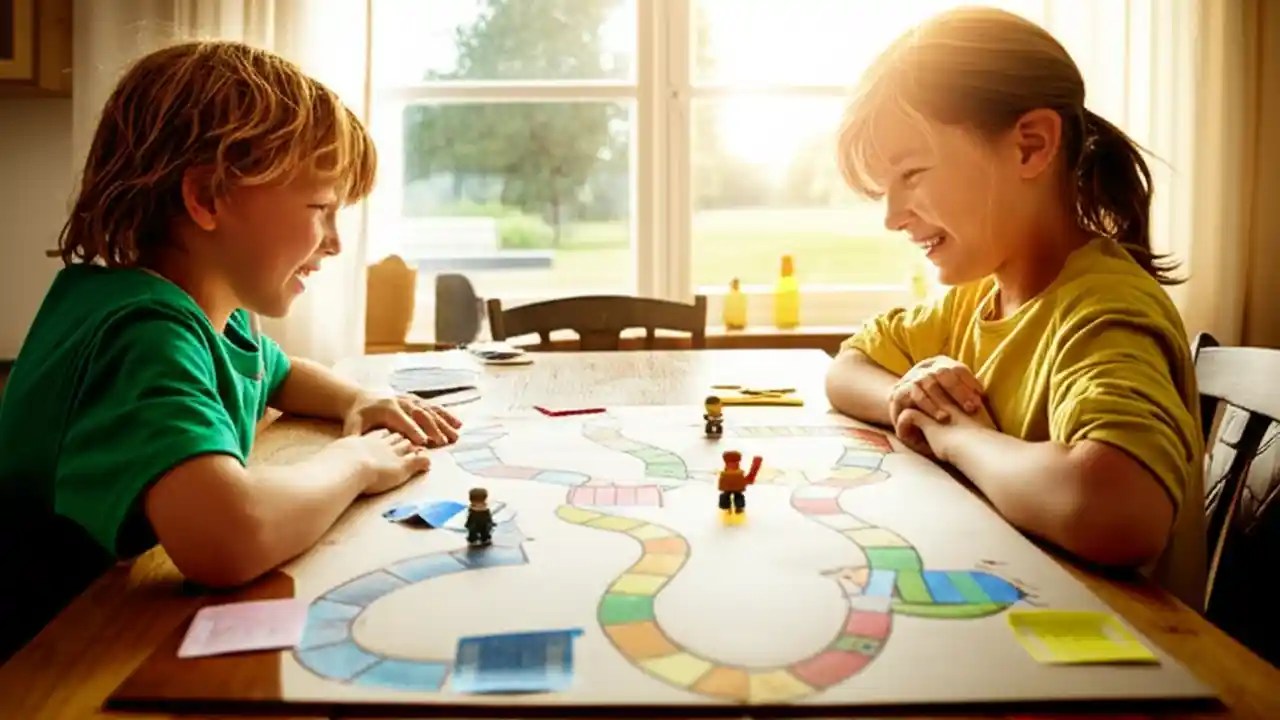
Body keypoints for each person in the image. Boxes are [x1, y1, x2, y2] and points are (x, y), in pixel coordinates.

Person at [0, 40, 463, 661]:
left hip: (104, 622)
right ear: (207, 199)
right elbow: (231, 539)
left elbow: (276, 373)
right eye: (320, 209)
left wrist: (361, 397)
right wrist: (356, 461)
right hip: (47, 659)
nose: (334, 244)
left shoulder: (203, 313)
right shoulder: (143, 335)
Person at [823, 7, 1205, 608]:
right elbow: (847, 367)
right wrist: (912, 397)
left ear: (1031, 146)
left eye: (912, 174)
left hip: (1119, 665)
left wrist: (954, 435)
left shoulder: (1104, 310)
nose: (893, 216)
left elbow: (1118, 510)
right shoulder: (981, 298)